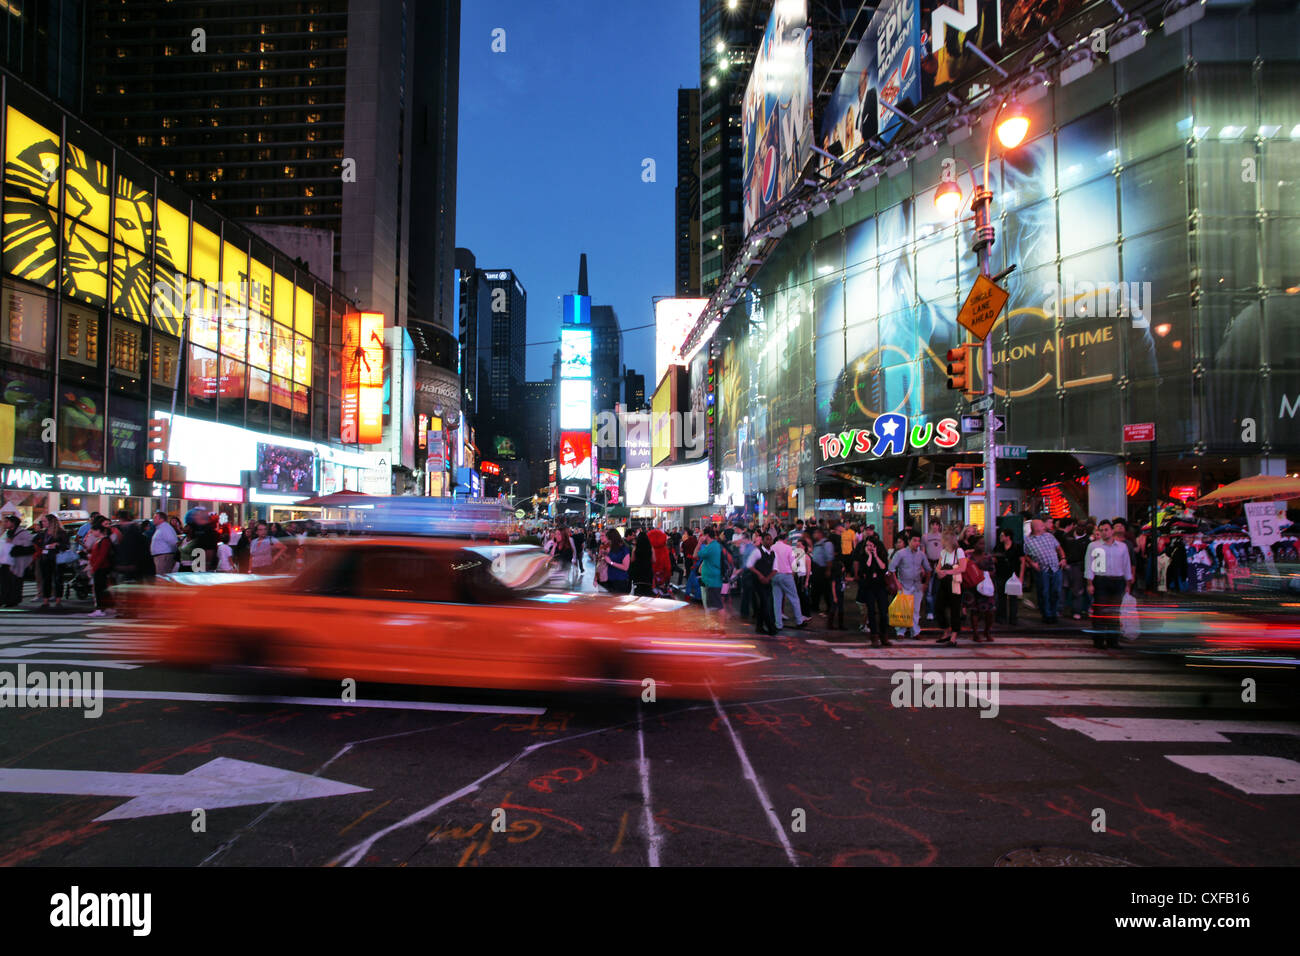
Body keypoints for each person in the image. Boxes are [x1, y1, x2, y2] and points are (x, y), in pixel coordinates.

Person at [1085, 519, 1132, 649]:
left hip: (1118, 580)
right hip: (1101, 580)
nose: (1104, 532)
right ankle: (1099, 641)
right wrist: (1090, 583)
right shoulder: (1094, 546)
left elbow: (1126, 565)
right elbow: (1089, 565)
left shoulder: (1122, 546)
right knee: (1100, 611)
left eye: (1106, 530)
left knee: (1114, 613)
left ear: (1112, 531)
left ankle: (1113, 641)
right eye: (1102, 530)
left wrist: (1128, 583)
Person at [1024, 518, 1067, 624]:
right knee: (1044, 592)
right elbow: (1024, 555)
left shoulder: (1049, 536)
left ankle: (1054, 612)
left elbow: (1059, 548)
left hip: (1055, 567)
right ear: (1035, 528)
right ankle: (1047, 614)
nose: (1044, 527)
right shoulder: (1027, 540)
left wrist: (1063, 558)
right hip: (1042, 569)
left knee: (1056, 591)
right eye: (1042, 525)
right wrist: (1032, 563)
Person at [852, 534, 892, 646]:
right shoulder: (863, 556)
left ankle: (884, 635)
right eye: (867, 545)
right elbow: (865, 568)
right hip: (869, 586)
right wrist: (869, 556)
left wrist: (875, 555)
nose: (869, 547)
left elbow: (884, 567)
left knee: (883, 612)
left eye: (871, 545)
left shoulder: (881, 554)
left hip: (880, 586)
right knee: (871, 612)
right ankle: (874, 636)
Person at [888, 533, 930, 639]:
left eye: (918, 541)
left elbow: (929, 569)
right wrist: (897, 583)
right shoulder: (900, 553)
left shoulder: (921, 555)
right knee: (903, 609)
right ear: (909, 541)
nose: (917, 543)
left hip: (917, 584)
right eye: (914, 540)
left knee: (916, 610)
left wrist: (926, 583)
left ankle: (915, 632)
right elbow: (891, 568)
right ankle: (900, 632)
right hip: (904, 585)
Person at [933, 530, 967, 645]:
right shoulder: (943, 552)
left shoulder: (959, 551)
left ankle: (953, 635)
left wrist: (947, 572)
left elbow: (963, 568)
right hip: (944, 582)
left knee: (955, 609)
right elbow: (938, 567)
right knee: (938, 607)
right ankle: (946, 630)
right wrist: (939, 571)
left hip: (954, 582)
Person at [769, 529, 806, 629]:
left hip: (774, 575)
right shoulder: (789, 548)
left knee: (777, 600)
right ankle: (799, 621)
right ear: (786, 539)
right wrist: (793, 574)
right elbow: (793, 564)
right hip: (786, 575)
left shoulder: (772, 547)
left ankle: (778, 624)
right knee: (794, 598)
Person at [962, 537, 996, 643]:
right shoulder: (968, 557)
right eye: (980, 544)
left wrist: (981, 574)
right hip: (972, 588)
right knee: (974, 611)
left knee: (989, 611)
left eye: (983, 544)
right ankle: (976, 633)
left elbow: (993, 571)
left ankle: (987, 631)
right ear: (974, 545)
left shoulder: (988, 557)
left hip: (985, 587)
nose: (982, 546)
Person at [34, 514, 71, 609]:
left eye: (45, 521)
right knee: (46, 579)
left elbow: (66, 545)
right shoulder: (43, 533)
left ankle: (58, 600)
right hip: (45, 558)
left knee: (58, 579)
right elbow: (35, 541)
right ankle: (46, 600)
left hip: (57, 557)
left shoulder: (60, 533)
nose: (43, 523)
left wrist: (57, 544)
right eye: (42, 521)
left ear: (51, 522)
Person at [1059, 517, 1092, 620]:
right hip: (1067, 564)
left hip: (1078, 566)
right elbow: (1061, 549)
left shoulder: (1087, 541)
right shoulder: (1067, 537)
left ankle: (1076, 611)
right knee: (1063, 589)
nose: (1080, 528)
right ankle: (1060, 610)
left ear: (1086, 528)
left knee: (1077, 591)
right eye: (1079, 525)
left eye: (1083, 526)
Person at [747, 531, 778, 636]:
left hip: (767, 581)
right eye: (767, 539)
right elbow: (749, 565)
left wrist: (767, 578)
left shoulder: (773, 553)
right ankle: (771, 628)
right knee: (765, 603)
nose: (769, 541)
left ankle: (759, 626)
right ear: (763, 541)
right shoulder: (757, 552)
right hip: (757, 582)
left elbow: (775, 569)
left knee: (765, 603)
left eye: (771, 539)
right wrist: (760, 575)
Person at [1, 515, 35, 607]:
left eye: (7, 522)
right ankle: (5, 599)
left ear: (13, 523)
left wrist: (13, 543)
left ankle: (13, 600)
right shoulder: (7, 533)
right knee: (5, 581)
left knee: (15, 581)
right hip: (6, 561)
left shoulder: (23, 533)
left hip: (18, 561)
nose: (5, 523)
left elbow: (29, 545)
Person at [993, 528, 1025, 626]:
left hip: (1013, 575)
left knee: (1013, 597)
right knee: (1001, 596)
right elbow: (994, 559)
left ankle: (1013, 618)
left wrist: (1021, 576)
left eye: (1002, 535)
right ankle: (1001, 617)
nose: (1000, 537)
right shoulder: (998, 546)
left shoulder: (1017, 547)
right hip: (1001, 574)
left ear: (1008, 537)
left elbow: (1022, 561)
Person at [85, 515, 115, 617]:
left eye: (93, 531)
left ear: (98, 530)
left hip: (101, 568)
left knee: (99, 589)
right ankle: (107, 607)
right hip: (99, 567)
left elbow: (101, 556)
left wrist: (94, 567)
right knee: (102, 588)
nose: (92, 533)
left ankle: (100, 608)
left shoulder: (104, 541)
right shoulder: (100, 540)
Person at [921, 519, 944, 622]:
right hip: (929, 564)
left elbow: (945, 551)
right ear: (930, 525)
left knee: (938, 589)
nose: (935, 526)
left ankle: (936, 611)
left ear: (939, 526)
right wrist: (923, 565)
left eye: (936, 524)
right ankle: (929, 611)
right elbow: (923, 552)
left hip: (940, 565)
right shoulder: (925, 537)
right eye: (933, 524)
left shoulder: (942, 537)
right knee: (929, 589)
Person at [600, 529, 632, 594]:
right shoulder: (610, 548)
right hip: (609, 580)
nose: (608, 541)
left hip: (620, 581)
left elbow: (625, 567)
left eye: (609, 539)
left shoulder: (624, 549)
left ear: (613, 539)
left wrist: (611, 562)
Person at [648, 527, 671, 595]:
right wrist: (667, 580)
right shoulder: (664, 550)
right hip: (661, 578)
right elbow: (668, 568)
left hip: (649, 580)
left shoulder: (648, 549)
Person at [630, 529, 653, 595]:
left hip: (638, 573)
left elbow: (632, 560)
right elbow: (654, 560)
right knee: (647, 592)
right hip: (647, 572)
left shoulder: (635, 548)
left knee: (638, 592)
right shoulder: (650, 548)